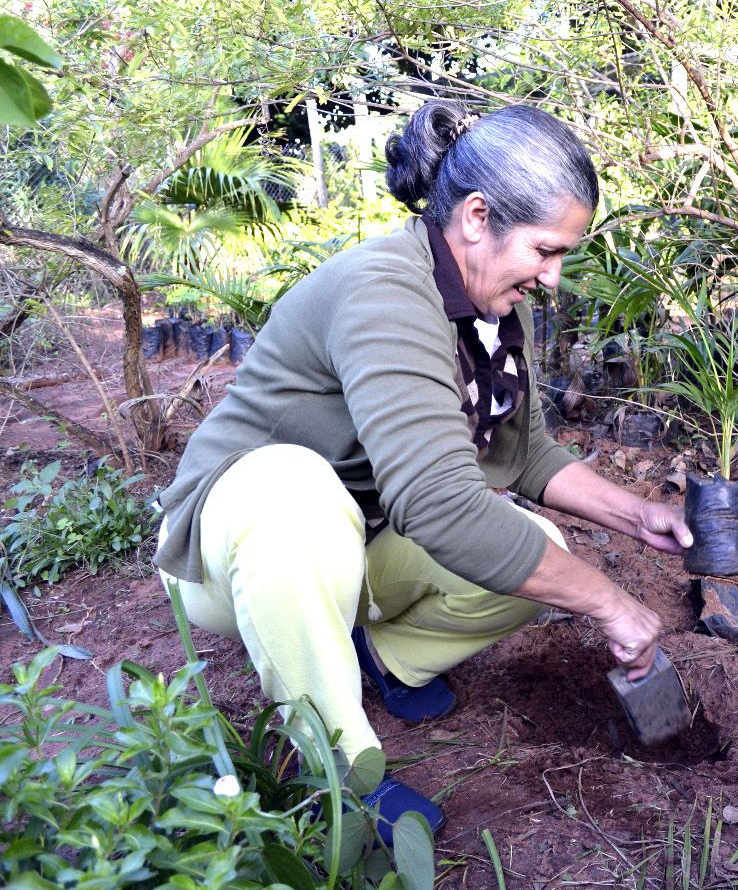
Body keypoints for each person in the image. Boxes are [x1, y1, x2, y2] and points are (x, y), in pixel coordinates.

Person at [153, 99, 692, 845]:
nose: (554, 278)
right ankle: (336, 773)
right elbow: (437, 502)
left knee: (541, 551)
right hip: (235, 548)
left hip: (357, 538)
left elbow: (526, 453)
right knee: (293, 489)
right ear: (476, 217)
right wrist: (610, 605)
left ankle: (378, 659)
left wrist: (639, 516)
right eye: (545, 251)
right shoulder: (384, 290)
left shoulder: (492, 305)